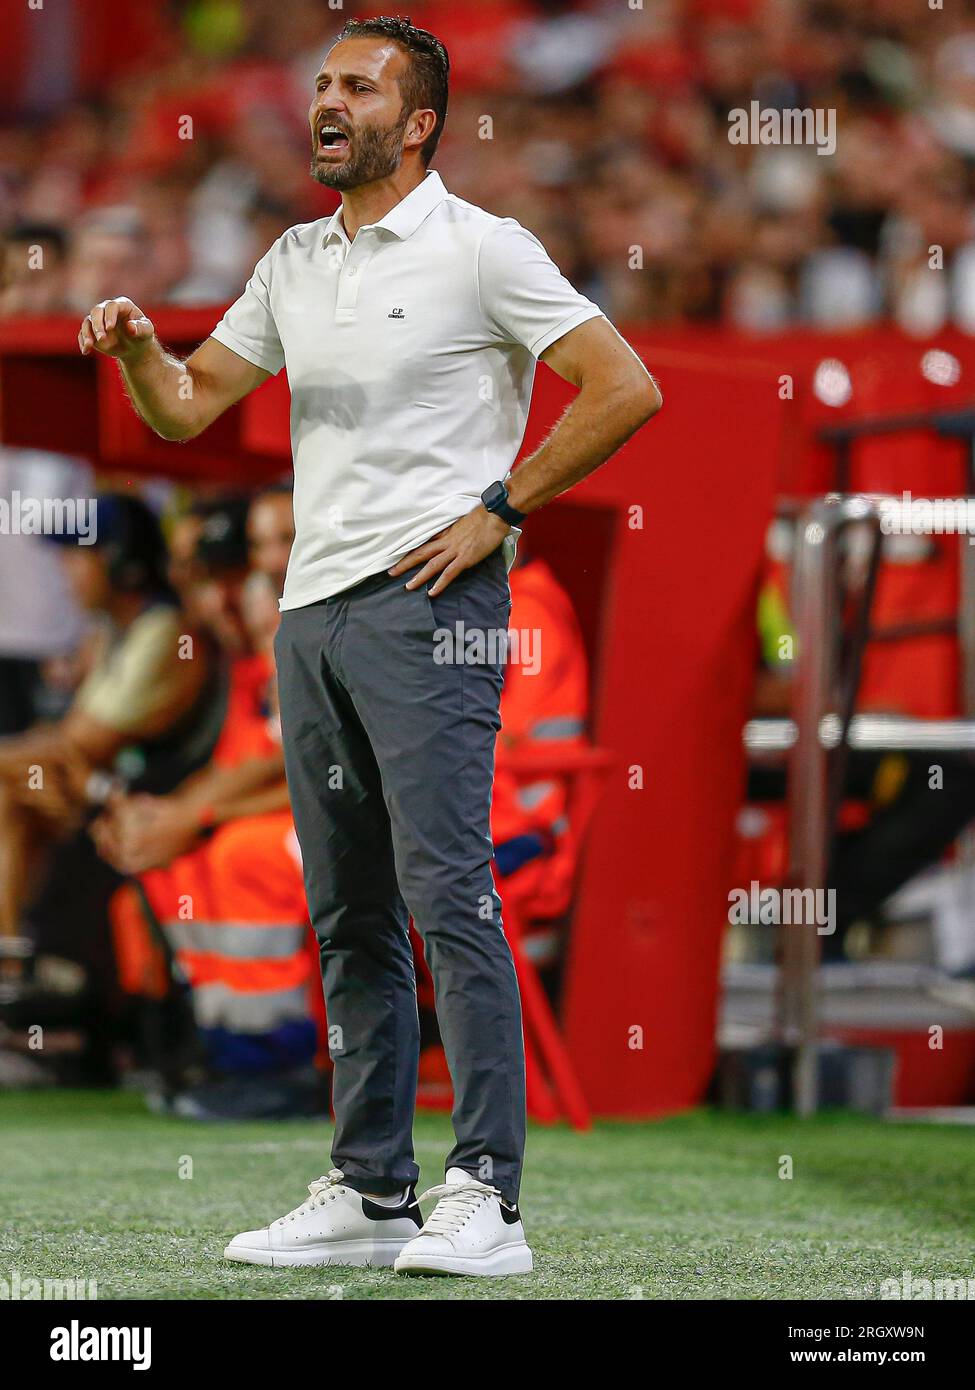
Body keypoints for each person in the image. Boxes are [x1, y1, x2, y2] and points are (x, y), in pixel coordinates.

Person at [77, 14, 661, 1277]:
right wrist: (136, 353)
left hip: (429, 608)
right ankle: (370, 1184)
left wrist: (498, 509)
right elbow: (187, 410)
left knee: (446, 890)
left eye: (357, 86)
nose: (326, 101)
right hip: (312, 611)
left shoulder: (481, 249)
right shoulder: (292, 258)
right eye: (322, 83)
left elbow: (624, 385)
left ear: (420, 121)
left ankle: (489, 1195)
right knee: (346, 911)